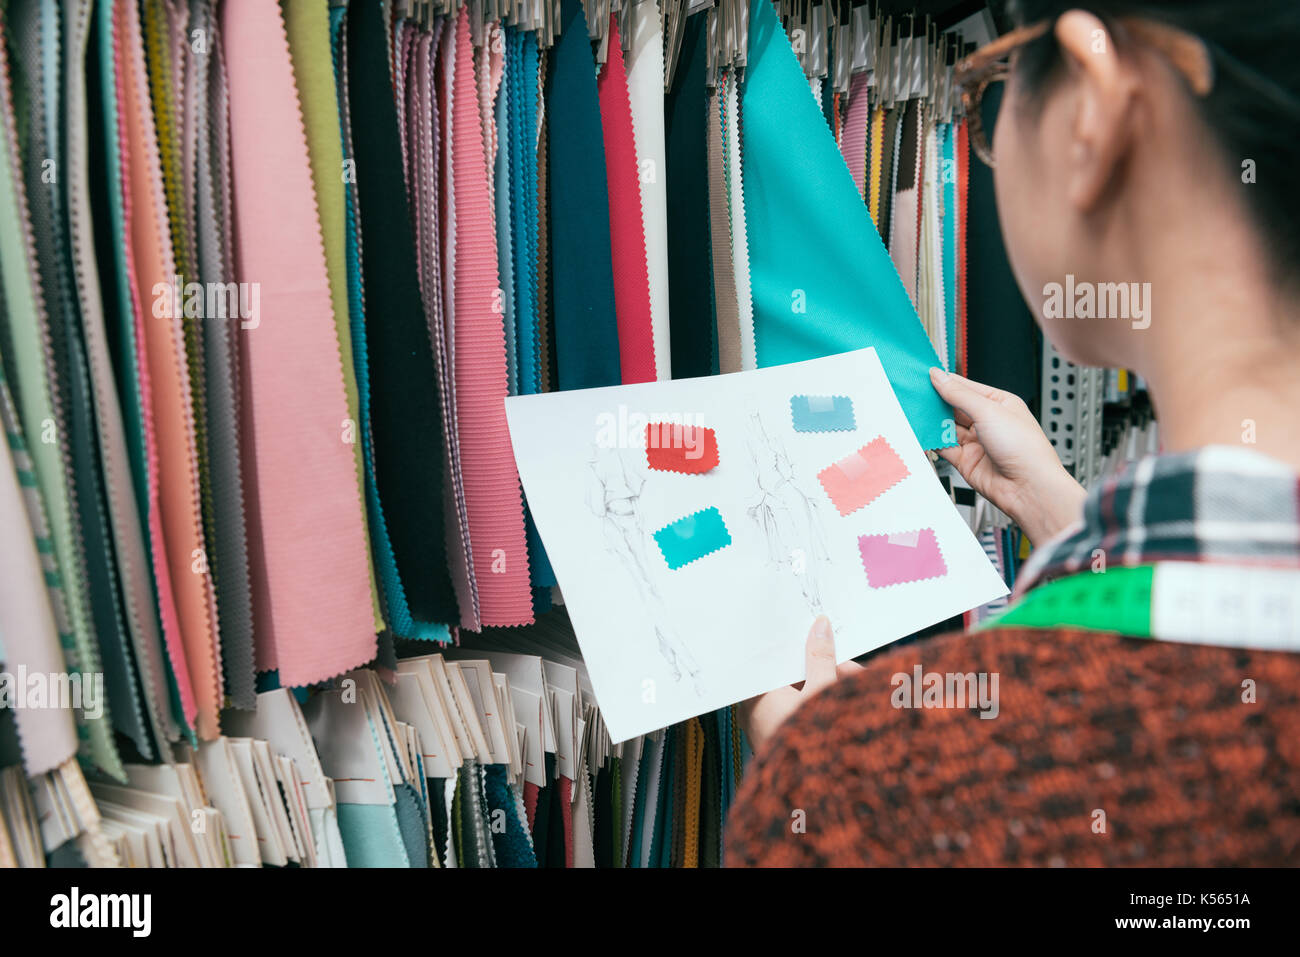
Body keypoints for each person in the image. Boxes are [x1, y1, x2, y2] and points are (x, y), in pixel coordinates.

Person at [726, 0, 1300, 866]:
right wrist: (1073, 529)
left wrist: (833, 780)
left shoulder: (889, 781)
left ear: (1093, 111)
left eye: (993, 81)